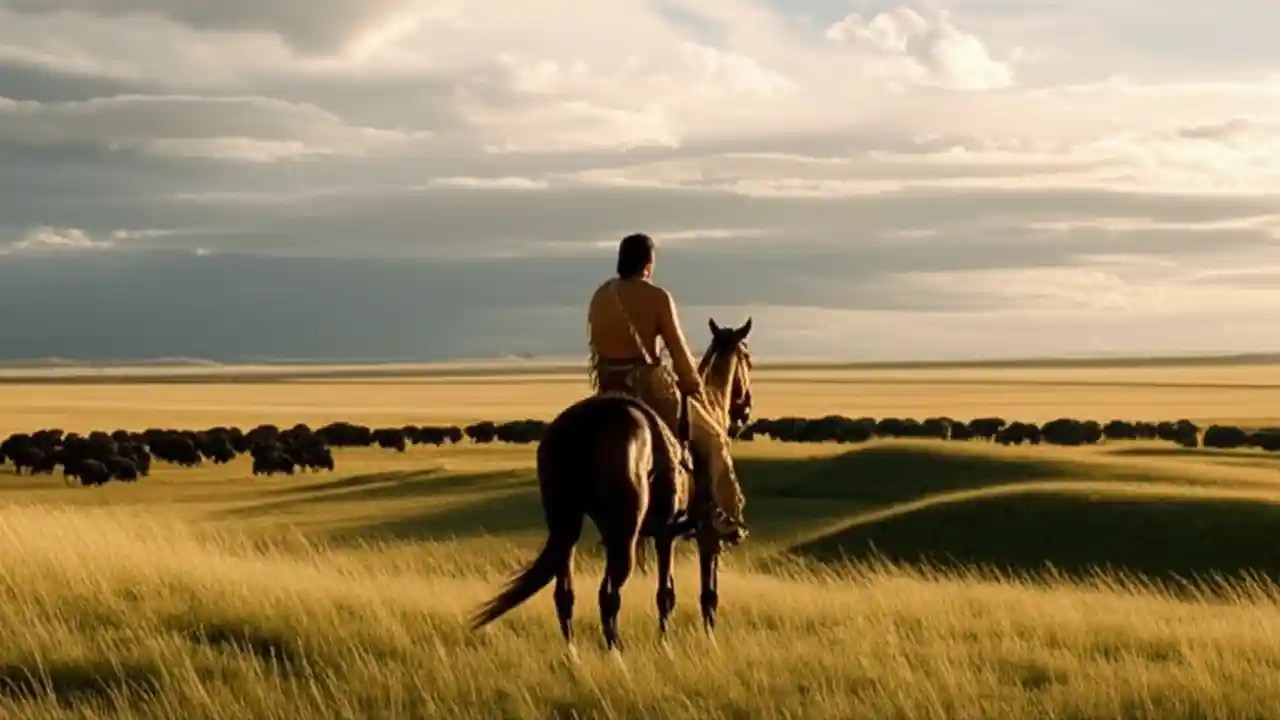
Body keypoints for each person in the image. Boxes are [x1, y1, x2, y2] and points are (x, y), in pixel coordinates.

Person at [586, 232, 747, 543]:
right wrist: (691, 384)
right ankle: (722, 515)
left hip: (607, 392)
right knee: (713, 439)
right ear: (647, 265)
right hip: (649, 391)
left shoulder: (601, 295)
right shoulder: (657, 297)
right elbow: (677, 349)